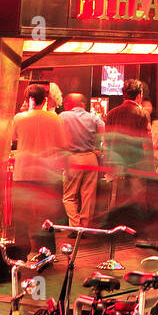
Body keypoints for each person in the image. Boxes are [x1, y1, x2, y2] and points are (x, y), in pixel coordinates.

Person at [11, 83, 66, 253]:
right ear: (45, 99)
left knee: (21, 214)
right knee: (46, 215)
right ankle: (46, 251)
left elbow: (13, 138)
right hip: (47, 173)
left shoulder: (18, 118)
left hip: (23, 172)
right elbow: (61, 144)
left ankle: (21, 250)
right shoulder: (55, 118)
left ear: (27, 99)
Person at [105, 80, 153, 206]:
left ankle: (115, 225)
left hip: (117, 164)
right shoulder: (143, 114)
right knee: (137, 202)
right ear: (139, 95)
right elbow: (146, 142)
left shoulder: (111, 113)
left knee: (116, 202)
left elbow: (107, 141)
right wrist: (150, 166)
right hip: (136, 165)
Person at [58, 92, 103, 229]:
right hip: (91, 158)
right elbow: (102, 135)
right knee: (88, 196)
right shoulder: (94, 118)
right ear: (83, 104)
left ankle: (75, 226)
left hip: (73, 159)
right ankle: (84, 226)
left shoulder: (63, 116)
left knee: (69, 197)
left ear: (69, 104)